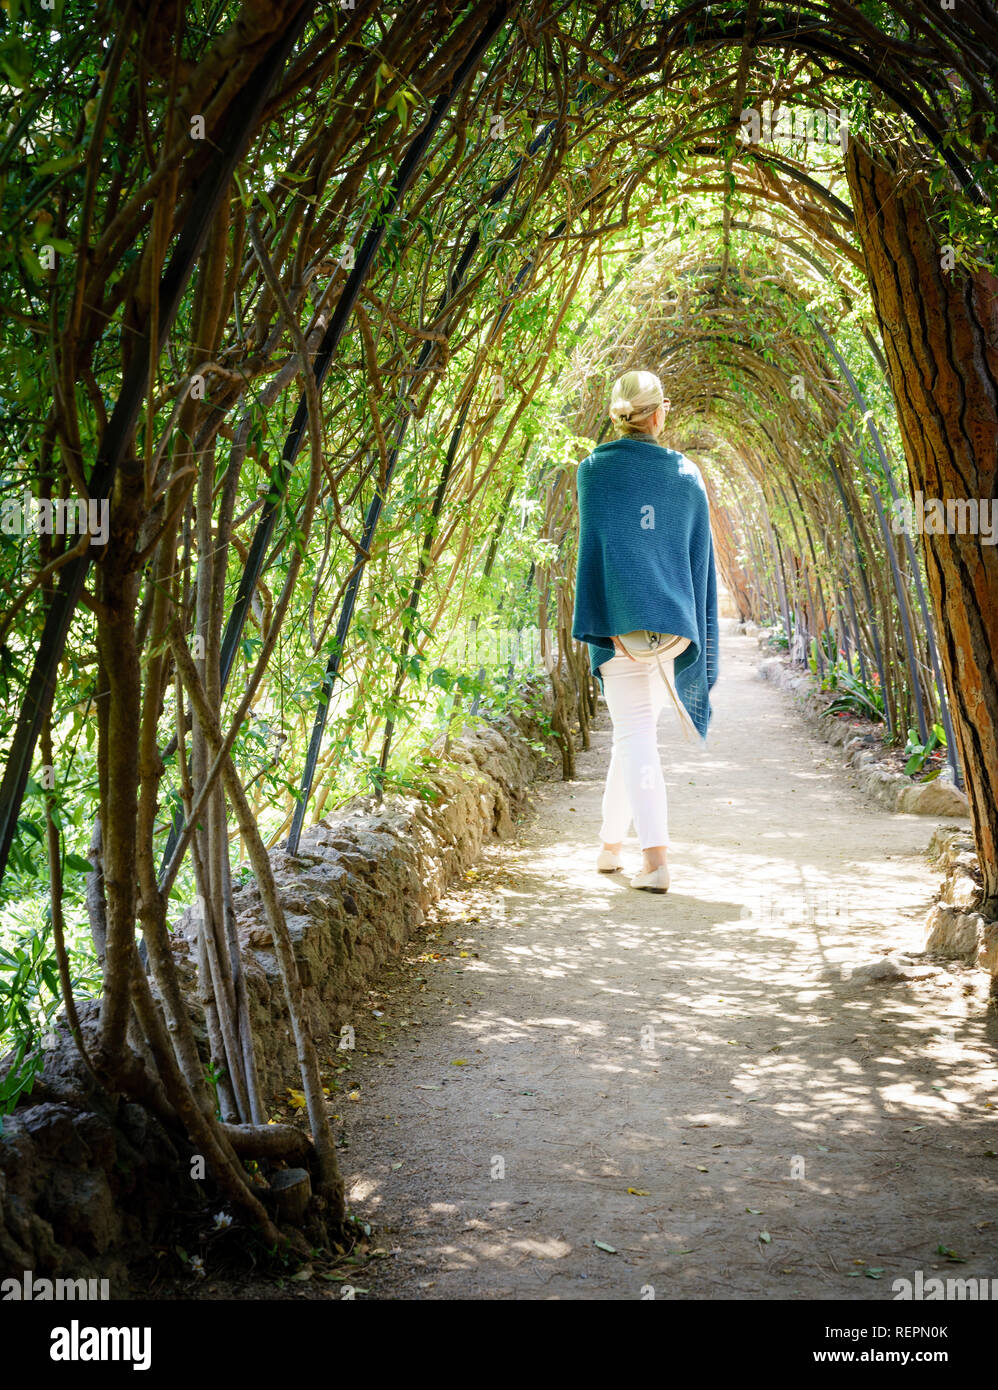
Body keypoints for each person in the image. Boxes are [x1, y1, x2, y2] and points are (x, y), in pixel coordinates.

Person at [572, 369, 719, 893]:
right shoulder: (686, 474)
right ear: (660, 413)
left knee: (635, 736)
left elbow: (596, 553)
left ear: (618, 414)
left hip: (620, 634)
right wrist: (694, 624)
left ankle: (656, 863)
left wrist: (603, 622)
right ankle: (612, 847)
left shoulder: (592, 471)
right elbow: (699, 559)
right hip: (673, 629)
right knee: (632, 737)